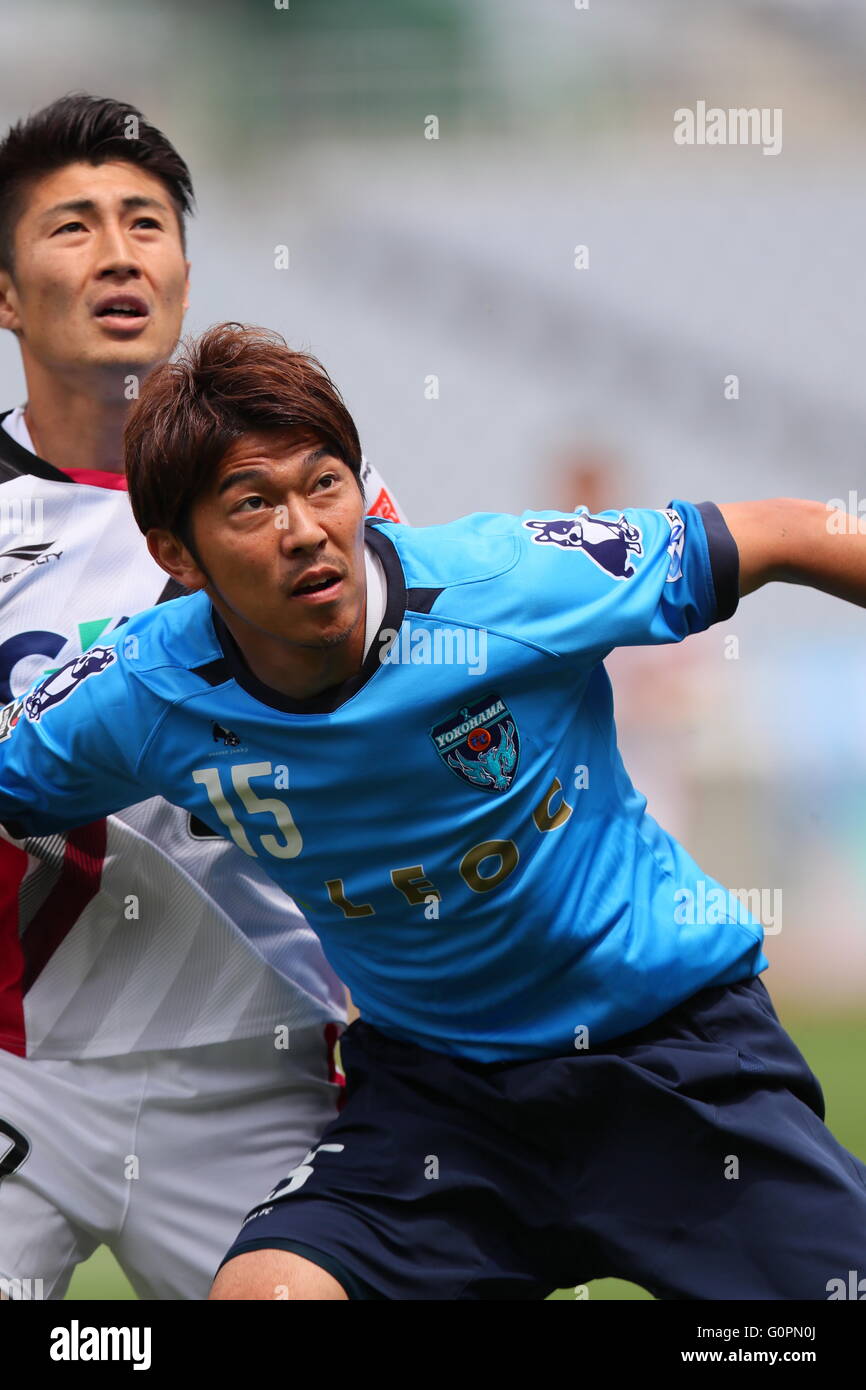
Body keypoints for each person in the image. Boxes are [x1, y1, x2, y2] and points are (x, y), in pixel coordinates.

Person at [1, 321, 865, 1303]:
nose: (302, 529)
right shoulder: (144, 687)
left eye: (322, 484)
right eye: (251, 503)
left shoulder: (506, 583)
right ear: (177, 554)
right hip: (438, 1108)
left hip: (668, 1063)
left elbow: (790, 530)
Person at [0, 94, 401, 1300]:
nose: (120, 252)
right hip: (16, 1060)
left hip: (259, 1056)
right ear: (6, 293)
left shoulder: (317, 497)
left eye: (148, 222)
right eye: (74, 226)